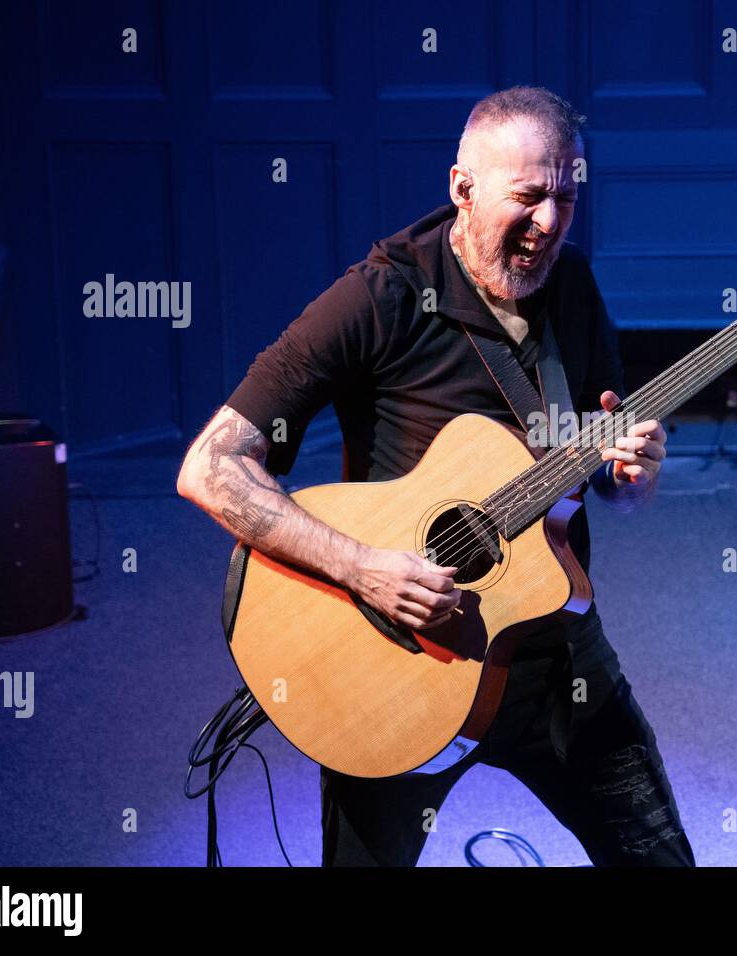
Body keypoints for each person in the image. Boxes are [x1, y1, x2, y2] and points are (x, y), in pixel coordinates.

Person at [176, 86, 694, 867]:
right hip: (397, 665)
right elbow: (211, 466)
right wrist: (362, 568)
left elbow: (612, 485)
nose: (549, 224)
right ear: (463, 188)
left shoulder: (572, 285)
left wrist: (633, 473)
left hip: (554, 655)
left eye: (566, 198)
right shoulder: (379, 297)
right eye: (528, 197)